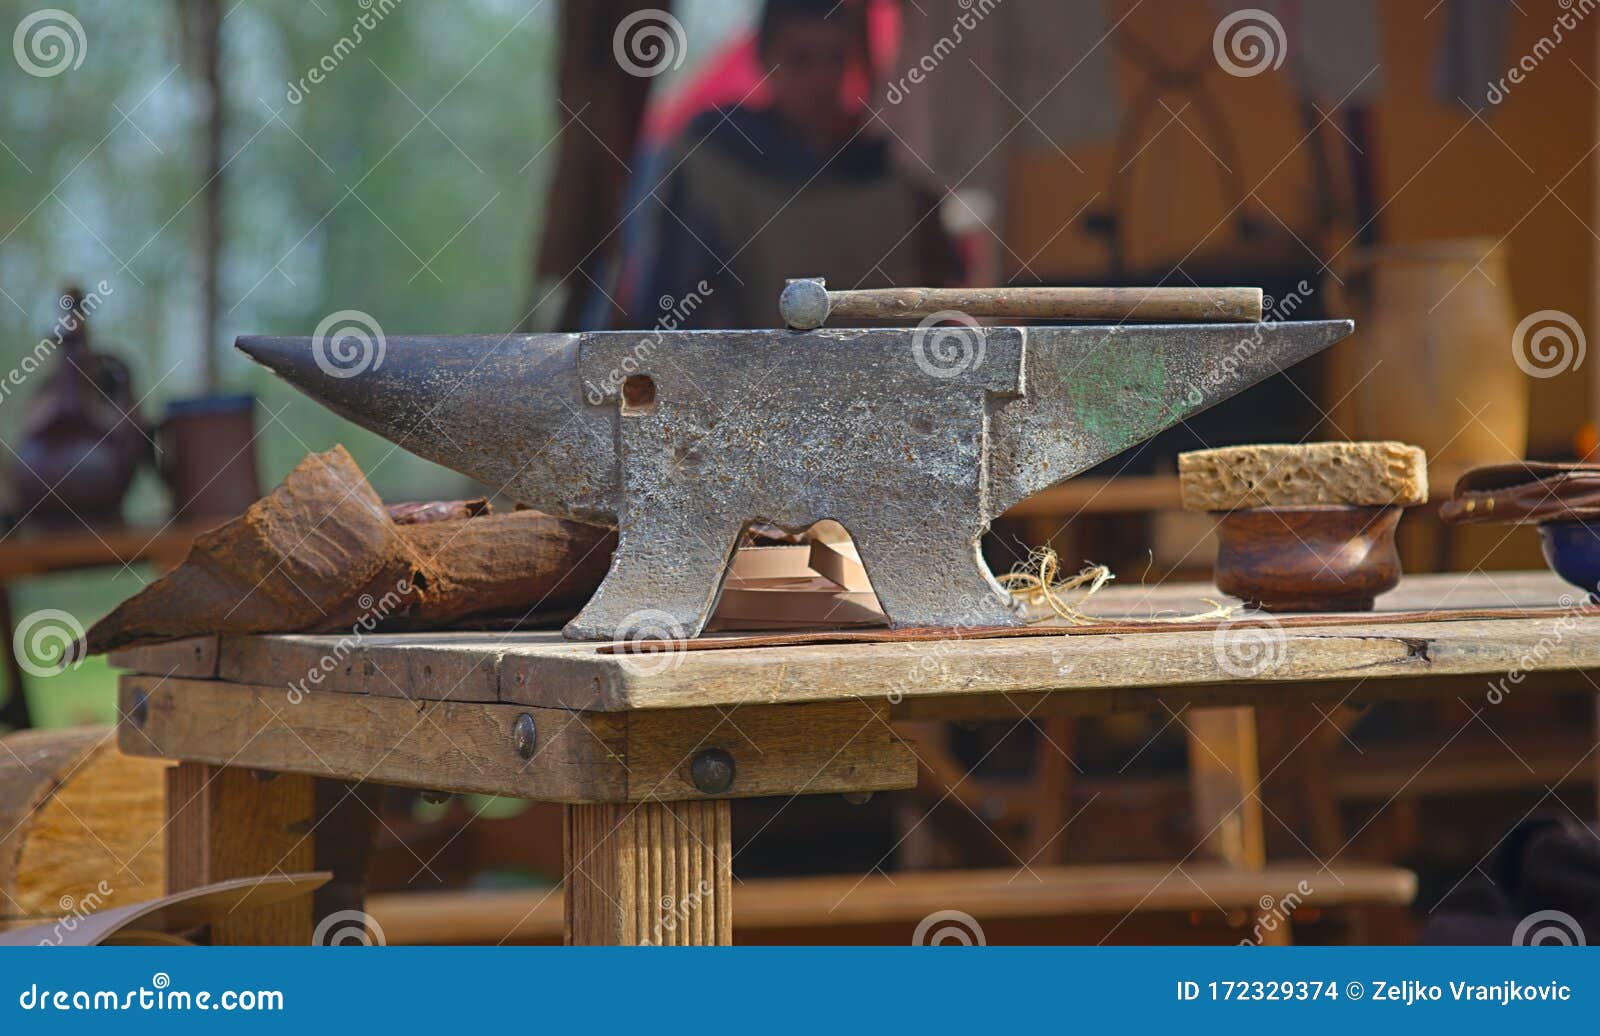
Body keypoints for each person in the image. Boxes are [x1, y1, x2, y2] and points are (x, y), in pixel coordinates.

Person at [628, 0, 956, 329]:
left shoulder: (893, 182)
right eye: (801, 59)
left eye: (834, 58)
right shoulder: (713, 167)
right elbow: (673, 300)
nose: (821, 79)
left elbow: (939, 307)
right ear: (765, 60)